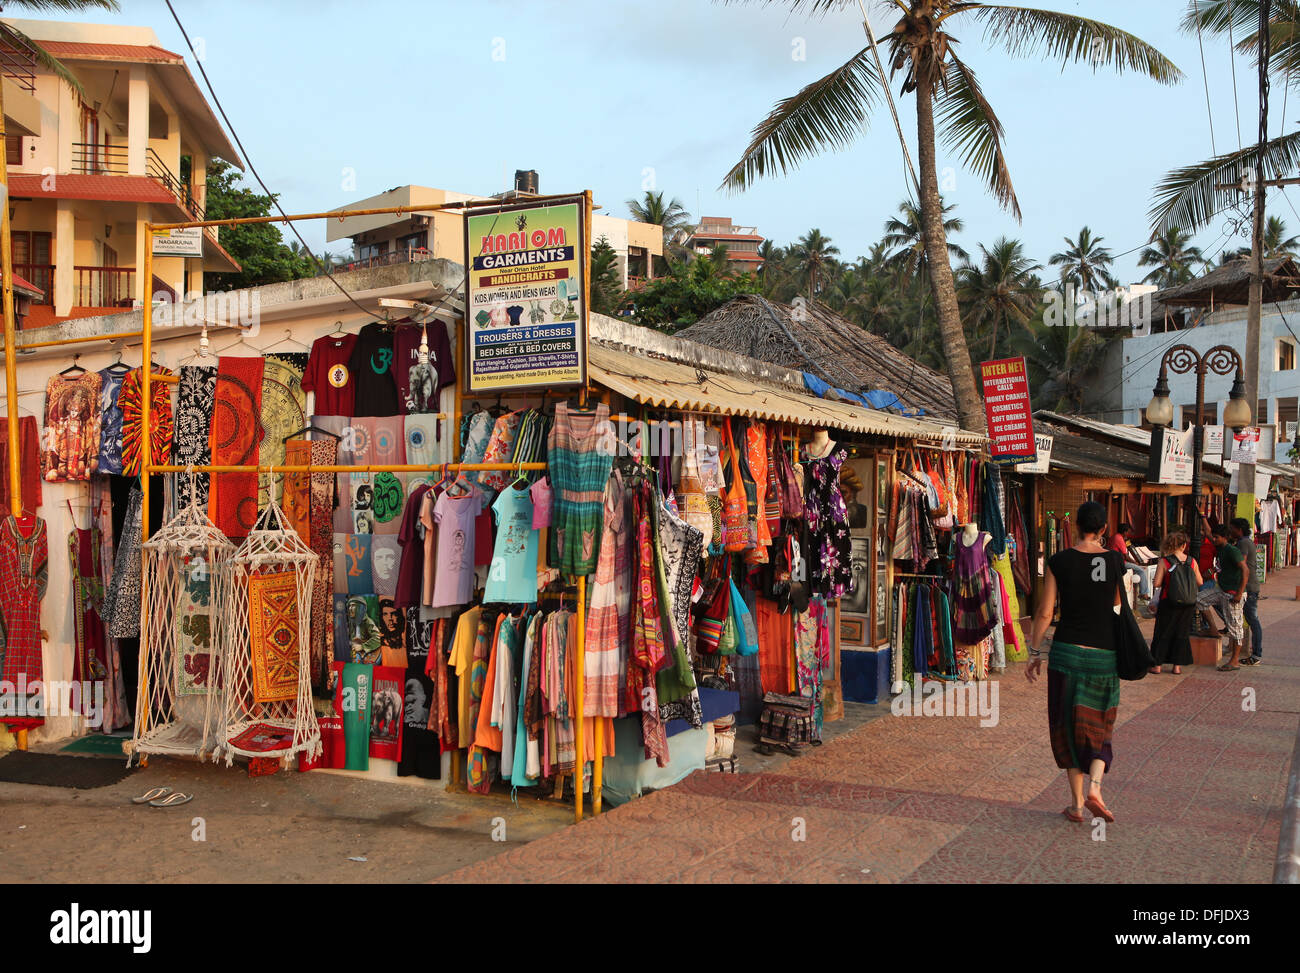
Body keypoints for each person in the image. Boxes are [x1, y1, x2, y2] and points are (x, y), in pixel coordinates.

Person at [1027, 501, 1122, 825]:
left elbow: (1045, 612)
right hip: (1103, 655)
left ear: (1077, 526)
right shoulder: (1114, 561)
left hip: (1065, 654)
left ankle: (1078, 804)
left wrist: (1035, 652)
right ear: (1104, 530)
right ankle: (1095, 786)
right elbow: (1118, 607)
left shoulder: (1059, 561)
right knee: (1101, 722)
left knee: (1066, 726)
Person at [1148, 531, 1202, 675]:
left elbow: (1157, 583)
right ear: (1184, 545)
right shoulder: (1192, 561)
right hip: (1188, 604)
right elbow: (1200, 582)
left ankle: (1157, 665)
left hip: (1168, 602)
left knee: (1162, 632)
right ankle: (1177, 666)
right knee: (1181, 633)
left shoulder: (1164, 561)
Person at [1196, 524, 1246, 671]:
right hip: (1222, 589)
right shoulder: (1221, 549)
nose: (1214, 539)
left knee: (1235, 627)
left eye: (1217, 537)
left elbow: (1245, 570)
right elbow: (1209, 533)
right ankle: (1212, 628)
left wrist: (1239, 593)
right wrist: (1203, 517)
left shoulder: (1232, 551)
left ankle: (1234, 660)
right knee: (1199, 599)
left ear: (1225, 537)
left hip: (1233, 592)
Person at [1230, 517, 1263, 666]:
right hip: (1251, 587)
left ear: (1239, 529)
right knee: (1251, 620)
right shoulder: (1246, 542)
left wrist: (1240, 590)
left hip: (1248, 588)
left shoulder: (1243, 543)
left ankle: (1256, 654)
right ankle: (1255, 653)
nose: (1231, 531)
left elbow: (1241, 565)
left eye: (1233, 528)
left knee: (1253, 621)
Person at [1108, 521, 1152, 605]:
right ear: (1125, 532)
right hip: (1119, 562)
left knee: (1137, 571)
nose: (1128, 533)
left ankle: (1141, 592)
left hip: (1115, 561)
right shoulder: (1119, 538)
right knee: (1141, 571)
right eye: (1128, 532)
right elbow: (1125, 556)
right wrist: (1135, 562)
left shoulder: (1115, 536)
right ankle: (1144, 593)